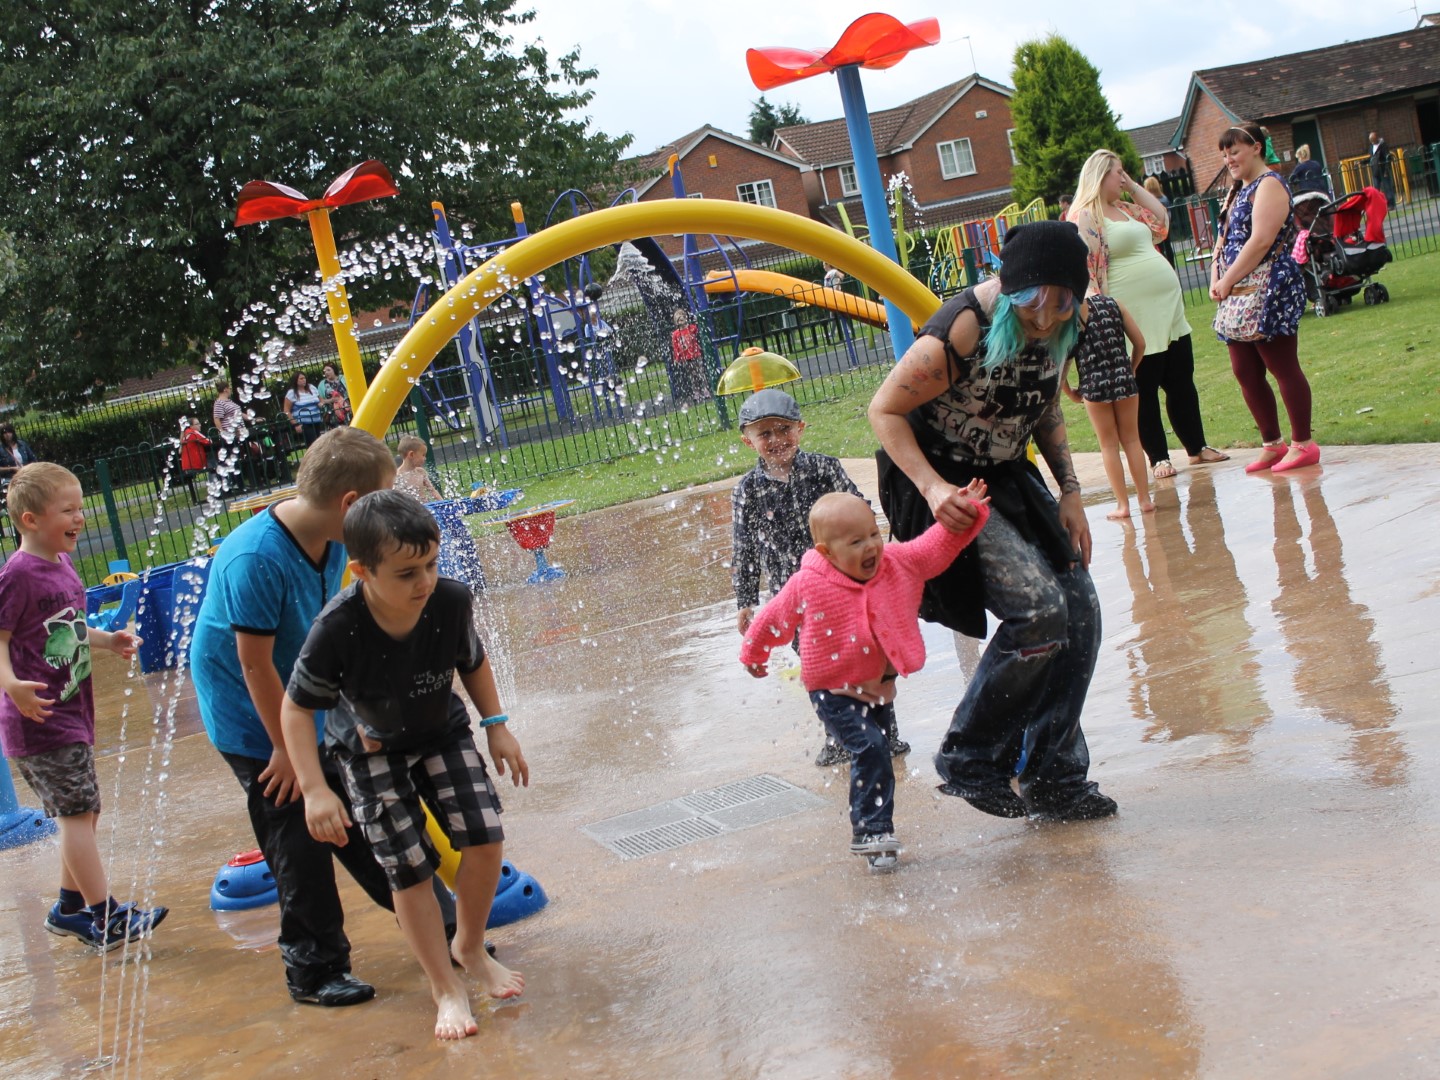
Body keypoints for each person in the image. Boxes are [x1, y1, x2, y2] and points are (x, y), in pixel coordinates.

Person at [191, 426, 453, 1008]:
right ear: (351, 505)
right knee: (299, 832)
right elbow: (254, 665)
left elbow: (333, 632)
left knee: (364, 806)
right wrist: (285, 750)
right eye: (384, 496)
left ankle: (441, 924)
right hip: (251, 713)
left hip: (305, 693)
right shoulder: (256, 557)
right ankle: (314, 969)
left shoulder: (337, 541)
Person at [868, 220, 1118, 822]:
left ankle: (1054, 775)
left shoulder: (1071, 321)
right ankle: (970, 756)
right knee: (1037, 611)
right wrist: (932, 490)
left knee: (1079, 611)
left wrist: (1071, 489)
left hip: (1006, 475)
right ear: (1012, 289)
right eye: (1033, 304)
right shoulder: (964, 327)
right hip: (943, 480)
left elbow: (1044, 400)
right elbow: (884, 409)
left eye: (1061, 305)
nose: (1045, 319)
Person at [282, 490, 528, 1040]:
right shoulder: (337, 628)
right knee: (409, 868)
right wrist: (315, 789)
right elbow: (297, 709)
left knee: (485, 838)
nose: (424, 582)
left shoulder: (448, 601)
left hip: (442, 732)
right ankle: (445, 986)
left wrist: (498, 726)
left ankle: (467, 943)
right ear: (362, 572)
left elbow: (473, 660)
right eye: (406, 573)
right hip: (369, 752)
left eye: (432, 565)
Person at [741, 489, 989, 870]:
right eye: (856, 542)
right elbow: (773, 618)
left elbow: (931, 550)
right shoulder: (808, 583)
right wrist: (753, 653)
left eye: (874, 534)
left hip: (878, 686)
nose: (871, 546)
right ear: (826, 552)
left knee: (880, 751)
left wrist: (966, 514)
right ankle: (872, 833)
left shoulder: (895, 563)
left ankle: (876, 829)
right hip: (832, 690)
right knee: (871, 748)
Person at [0, 463, 167, 951]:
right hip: (39, 718)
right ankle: (106, 916)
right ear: (30, 520)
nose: (81, 517)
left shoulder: (61, 564)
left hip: (71, 710)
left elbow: (64, 625)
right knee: (75, 816)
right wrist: (10, 684)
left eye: (81, 507)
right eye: (68, 510)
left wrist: (105, 639)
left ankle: (70, 909)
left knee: (84, 813)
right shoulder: (18, 574)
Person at [729, 387, 906, 765]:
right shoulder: (748, 490)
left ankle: (884, 729)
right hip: (793, 597)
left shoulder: (824, 468)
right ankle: (840, 735)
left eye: (783, 429)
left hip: (844, 585)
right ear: (748, 441)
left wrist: (871, 557)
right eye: (765, 433)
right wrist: (745, 600)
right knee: (819, 665)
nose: (776, 440)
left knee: (867, 654)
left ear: (801, 428)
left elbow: (858, 509)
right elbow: (744, 548)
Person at [1069, 149, 1230, 481]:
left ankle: (1197, 446)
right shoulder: (1085, 216)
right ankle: (1158, 457)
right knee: (1143, 385)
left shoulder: (1125, 208)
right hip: (1134, 312)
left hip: (1167, 310)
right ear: (1100, 176)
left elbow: (1162, 223)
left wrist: (1132, 186)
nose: (1123, 178)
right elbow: (1086, 269)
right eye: (1118, 173)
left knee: (1181, 380)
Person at [1210, 123, 1318, 474]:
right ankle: (1273, 443)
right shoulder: (1237, 190)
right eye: (1225, 154)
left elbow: (1260, 241)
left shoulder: (1269, 185)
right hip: (1237, 290)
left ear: (1256, 147)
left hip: (1269, 287)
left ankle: (1303, 443)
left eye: (1235, 151)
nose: (1229, 159)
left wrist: (1226, 279)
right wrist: (1217, 275)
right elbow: (1223, 238)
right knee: (1245, 370)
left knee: (1282, 366)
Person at [1062, 294, 1151, 520]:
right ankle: (1145, 499)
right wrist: (1131, 368)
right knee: (1132, 440)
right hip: (1124, 379)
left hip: (1093, 386)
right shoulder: (1114, 303)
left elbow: (1061, 361)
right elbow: (1140, 343)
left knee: (1108, 445)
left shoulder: (1070, 315)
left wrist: (1070, 391)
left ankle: (1123, 504)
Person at [670, 308, 707, 403]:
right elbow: (675, 347)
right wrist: (677, 358)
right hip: (685, 357)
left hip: (695, 354)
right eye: (678, 320)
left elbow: (697, 329)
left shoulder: (691, 328)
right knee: (692, 375)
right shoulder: (675, 334)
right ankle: (696, 392)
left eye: (682, 319)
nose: (681, 322)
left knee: (700, 372)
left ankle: (705, 390)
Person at [393, 435, 443, 503]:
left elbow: (432, 491)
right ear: (411, 454)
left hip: (424, 508)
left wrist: (443, 503)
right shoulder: (397, 476)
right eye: (423, 455)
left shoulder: (421, 472)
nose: (425, 458)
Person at [284, 371, 326, 447]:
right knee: (313, 443)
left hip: (316, 420)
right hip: (304, 423)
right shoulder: (292, 393)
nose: (304, 380)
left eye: (304, 378)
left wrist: (321, 404)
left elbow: (321, 400)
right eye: (301, 378)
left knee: (319, 442)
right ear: (296, 380)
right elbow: (286, 410)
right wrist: (295, 424)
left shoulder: (311, 387)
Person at [177, 416, 212, 504]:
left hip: (186, 466)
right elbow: (209, 441)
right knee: (214, 464)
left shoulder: (185, 434)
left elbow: (179, 450)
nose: (200, 425)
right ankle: (215, 492)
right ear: (191, 426)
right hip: (196, 464)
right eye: (197, 424)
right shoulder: (194, 433)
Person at [1143, 177, 1176, 266]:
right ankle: (1172, 265)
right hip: (1166, 225)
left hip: (1155, 226)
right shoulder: (1164, 198)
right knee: (1168, 246)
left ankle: (1164, 265)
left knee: (1159, 248)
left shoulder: (1149, 200)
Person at [1369, 132, 1394, 208]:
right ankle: (1378, 205)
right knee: (1376, 189)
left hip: (1383, 169)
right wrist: (1362, 162)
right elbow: (1371, 158)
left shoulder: (1383, 145)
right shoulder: (1371, 147)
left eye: (1373, 140)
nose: (1373, 142)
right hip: (1375, 170)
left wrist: (1386, 170)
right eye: (1371, 141)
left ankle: (1391, 204)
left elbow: (1387, 157)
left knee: (1387, 187)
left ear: (1376, 138)